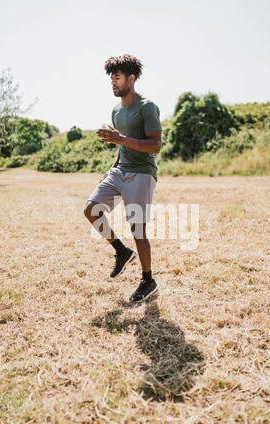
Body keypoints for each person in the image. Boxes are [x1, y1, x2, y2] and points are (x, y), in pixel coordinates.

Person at [84, 54, 162, 303]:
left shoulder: (147, 107)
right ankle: (121, 251)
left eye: (117, 77)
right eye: (111, 79)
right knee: (91, 209)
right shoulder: (116, 110)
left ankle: (148, 279)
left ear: (132, 78)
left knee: (138, 228)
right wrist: (113, 166)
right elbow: (122, 144)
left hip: (142, 173)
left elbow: (156, 145)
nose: (113, 83)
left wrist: (122, 139)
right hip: (120, 170)